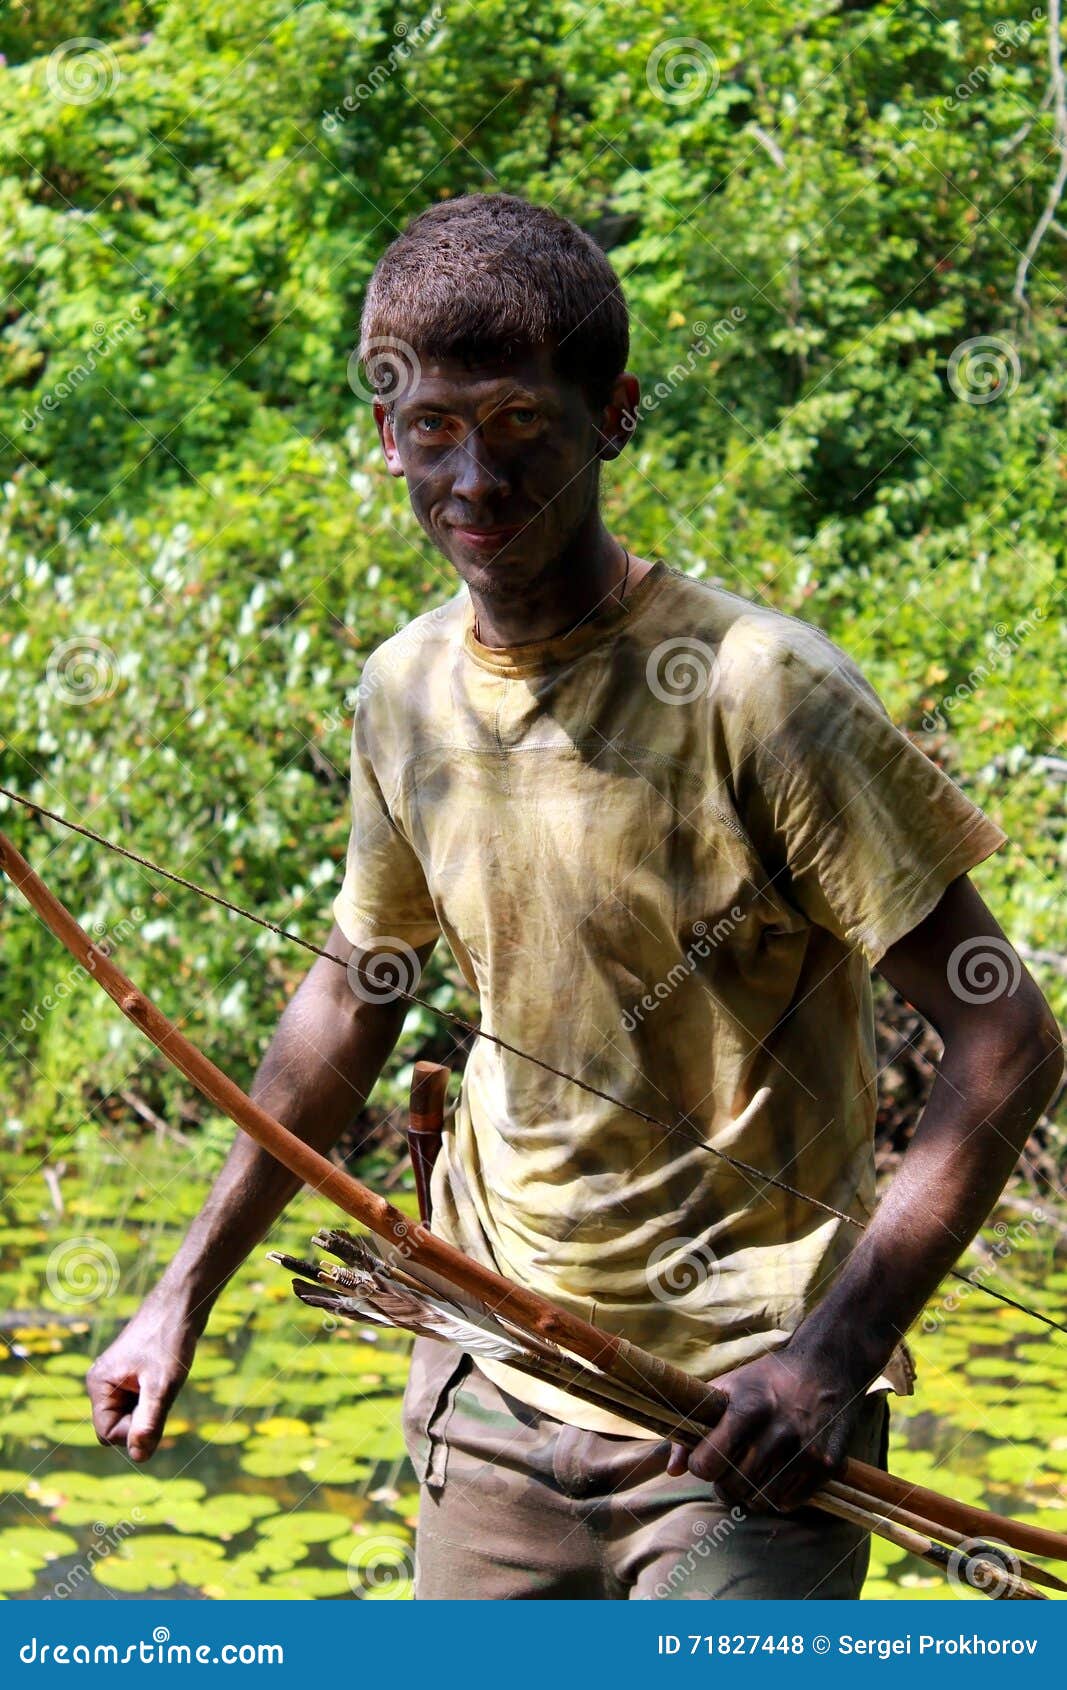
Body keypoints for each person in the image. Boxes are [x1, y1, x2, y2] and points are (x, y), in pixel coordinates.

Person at [86, 192, 1063, 1600]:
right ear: (386, 437)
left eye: (522, 427)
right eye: (432, 429)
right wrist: (178, 1293)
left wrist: (830, 1360)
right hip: (495, 1385)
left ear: (613, 416)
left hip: (742, 1422)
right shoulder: (405, 692)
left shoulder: (758, 692)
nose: (474, 480)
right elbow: (358, 992)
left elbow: (1008, 1037)